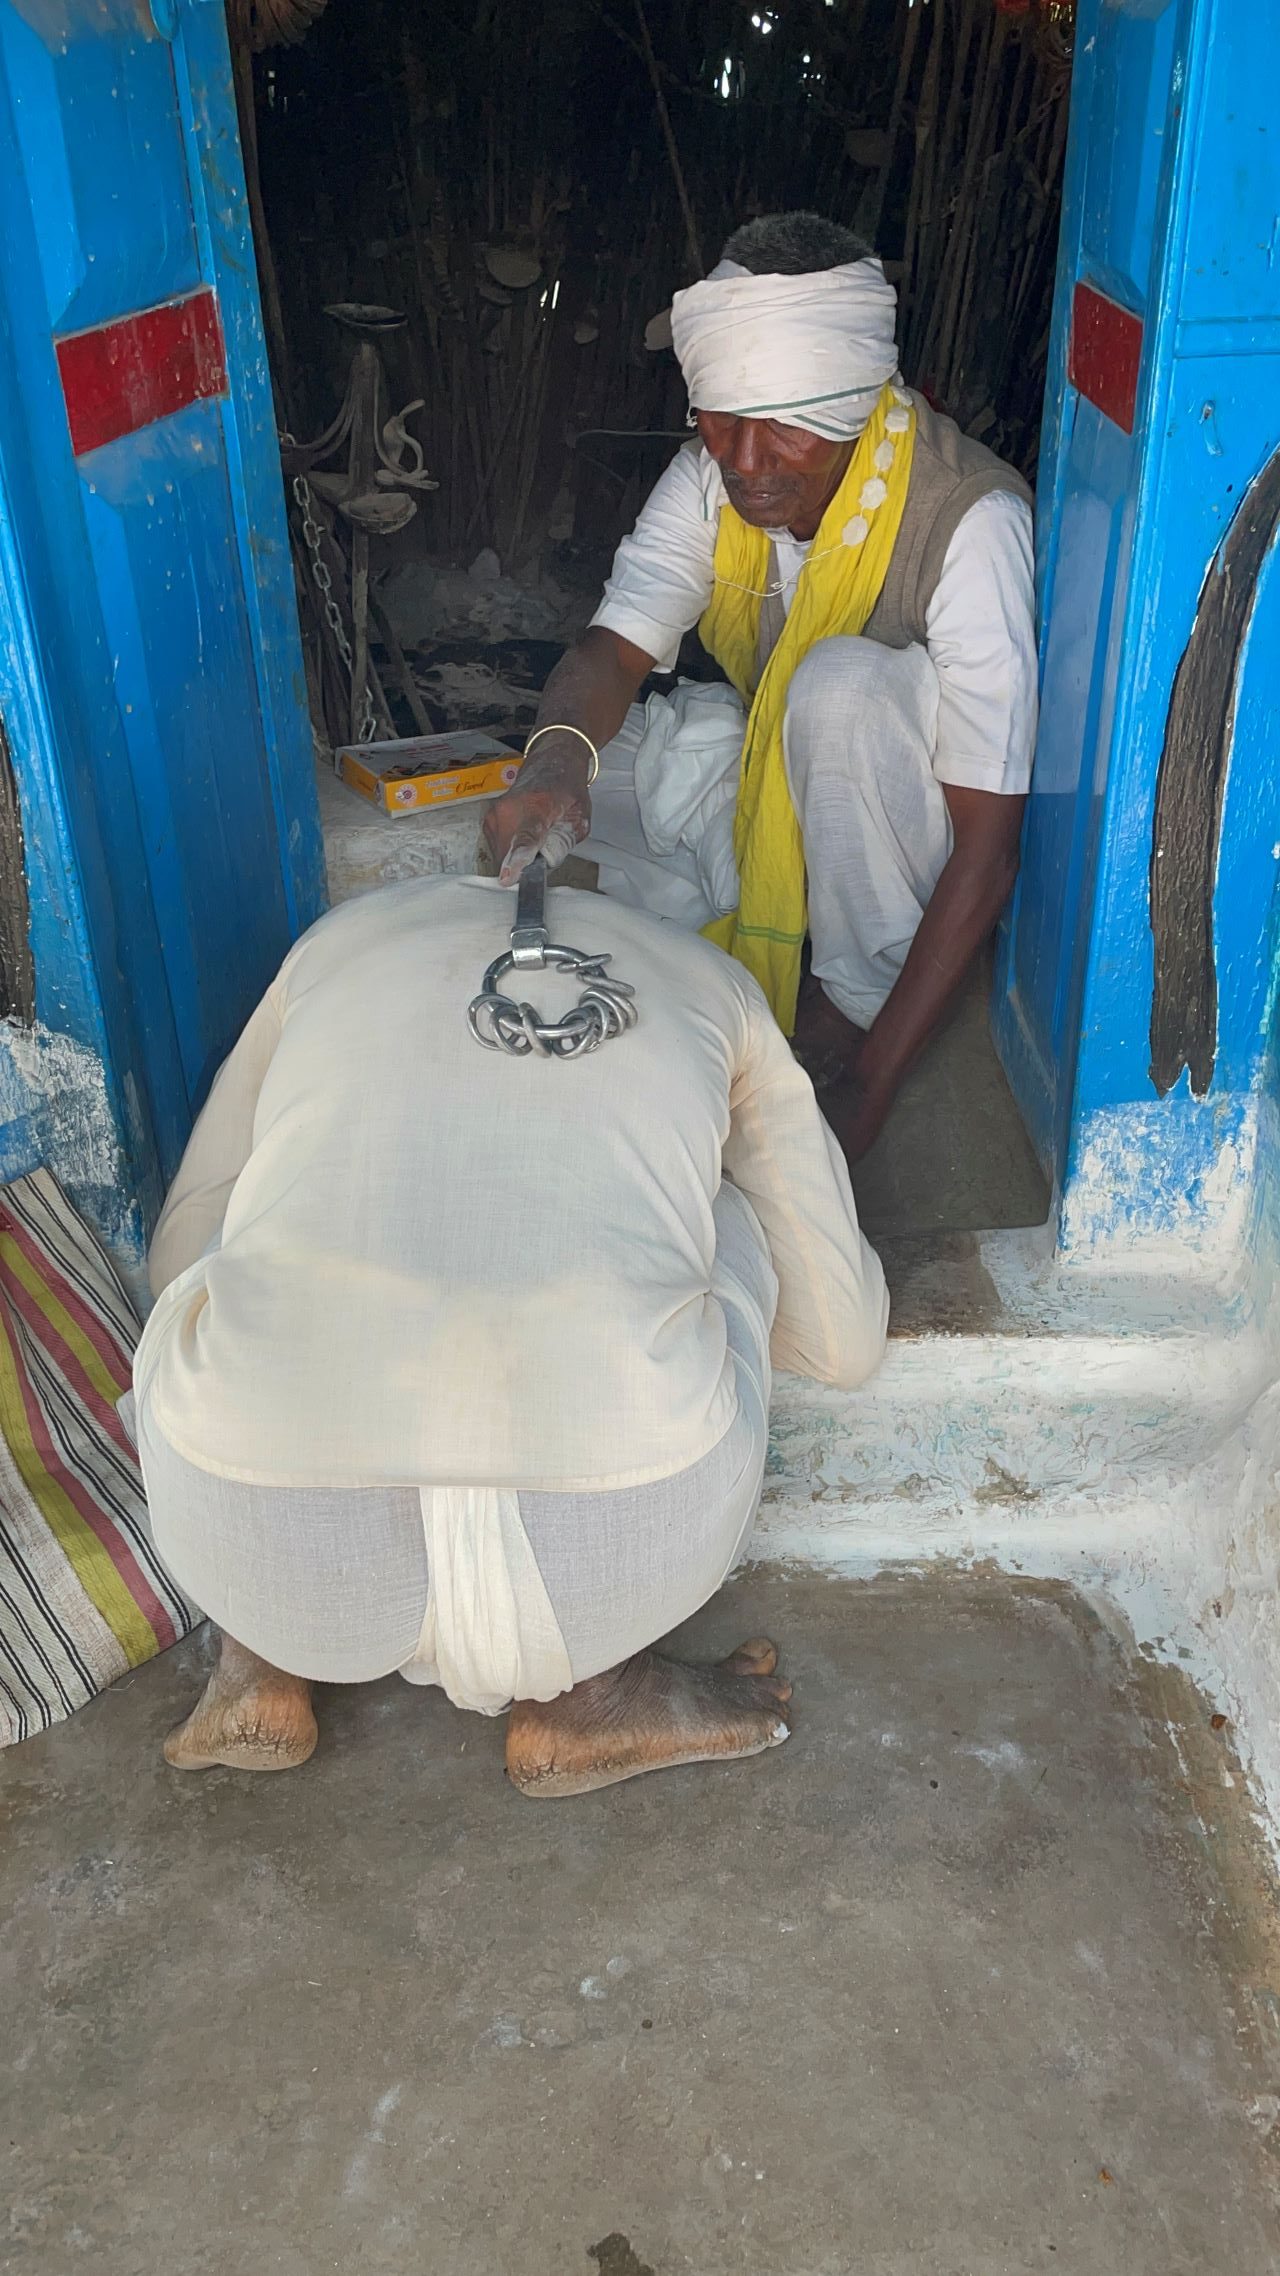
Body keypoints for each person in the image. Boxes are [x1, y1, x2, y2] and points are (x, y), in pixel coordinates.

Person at [132, 872, 887, 1791]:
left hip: (251, 1541)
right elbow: (841, 1341)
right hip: (624, 1552)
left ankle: (257, 1667)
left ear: (465, 872)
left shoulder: (335, 943)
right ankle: (593, 1694)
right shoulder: (712, 979)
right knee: (726, 1210)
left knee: (244, 1230)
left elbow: (175, 1256)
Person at [483, 210, 1037, 1164]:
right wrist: (555, 765)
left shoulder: (971, 523)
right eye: (720, 416)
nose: (744, 459)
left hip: (911, 836)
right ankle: (757, 926)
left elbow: (989, 851)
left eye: (783, 427)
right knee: (572, 800)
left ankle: (851, 998)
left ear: (854, 402)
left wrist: (865, 1092)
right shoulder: (714, 476)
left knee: (840, 688)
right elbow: (613, 652)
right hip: (790, 776)